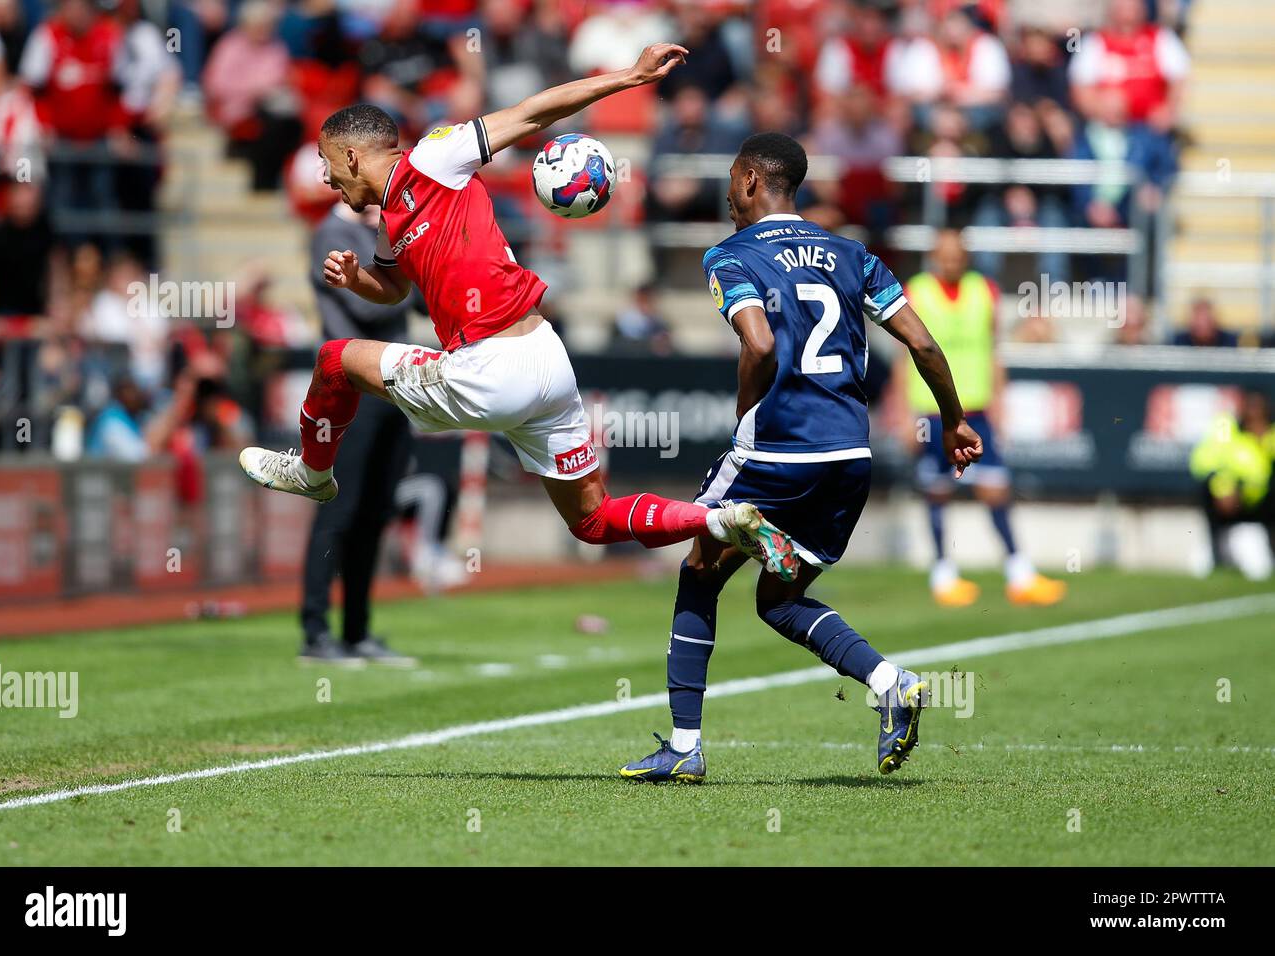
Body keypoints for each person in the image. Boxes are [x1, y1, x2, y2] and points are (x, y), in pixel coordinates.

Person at [238, 44, 796, 582]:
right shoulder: (390, 222)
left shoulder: (435, 156)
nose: (327, 177)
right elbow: (393, 289)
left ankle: (312, 473)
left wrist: (629, 77)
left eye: (327, 162)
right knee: (593, 520)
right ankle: (720, 518)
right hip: (546, 360)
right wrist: (357, 278)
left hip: (493, 365)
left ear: (352, 155)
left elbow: (532, 112)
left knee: (335, 360)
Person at [619, 132, 984, 783]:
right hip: (849, 455)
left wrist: (744, 409)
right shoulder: (852, 255)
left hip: (779, 451)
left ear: (753, 180)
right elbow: (923, 345)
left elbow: (758, 344)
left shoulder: (731, 255)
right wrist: (954, 420)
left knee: (700, 568)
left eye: (733, 179)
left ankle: (682, 746)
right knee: (779, 598)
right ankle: (891, 682)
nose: (728, 192)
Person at [891, 228, 1067, 608]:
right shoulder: (916, 291)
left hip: (978, 407)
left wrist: (1001, 400)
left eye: (958, 254)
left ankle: (1019, 573)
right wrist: (903, 414)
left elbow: (992, 349)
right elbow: (902, 356)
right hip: (932, 410)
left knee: (996, 489)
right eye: (945, 254)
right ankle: (943, 573)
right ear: (935, 256)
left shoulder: (981, 290)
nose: (952, 260)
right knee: (937, 491)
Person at [299, 201, 418, 665]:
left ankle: (356, 631)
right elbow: (369, 307)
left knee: (375, 513)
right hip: (348, 392)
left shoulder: (376, 236)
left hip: (389, 389)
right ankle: (314, 632)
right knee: (337, 511)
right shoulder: (331, 234)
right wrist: (392, 254)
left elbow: (421, 292)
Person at [1189, 390, 1275, 579]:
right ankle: (1216, 557)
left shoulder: (1270, 435)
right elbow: (1208, 461)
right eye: (1250, 407)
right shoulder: (1227, 431)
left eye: (1258, 408)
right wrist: (1225, 489)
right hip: (1232, 496)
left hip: (1262, 498)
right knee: (1209, 495)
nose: (1254, 413)